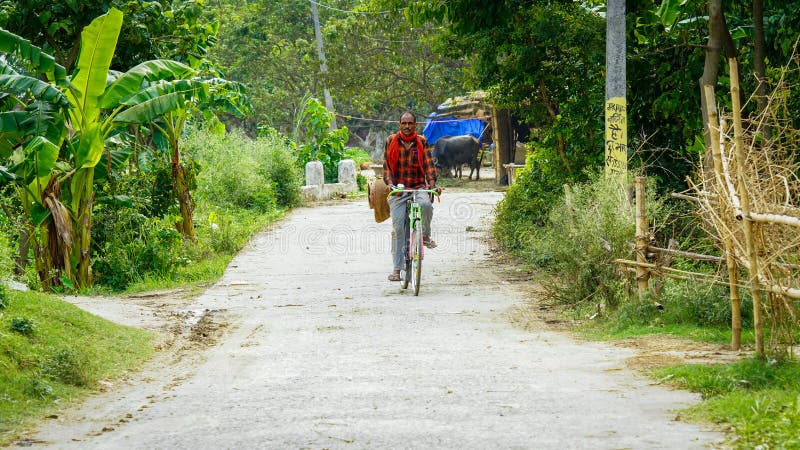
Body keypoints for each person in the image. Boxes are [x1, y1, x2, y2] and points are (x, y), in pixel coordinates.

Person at [383, 111, 440, 282]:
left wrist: (432, 184)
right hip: (398, 190)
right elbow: (387, 168)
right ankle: (397, 269)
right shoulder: (391, 141)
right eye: (404, 123)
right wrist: (389, 185)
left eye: (410, 123)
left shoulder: (422, 141)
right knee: (398, 228)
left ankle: (425, 236)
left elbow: (430, 166)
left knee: (426, 206)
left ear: (416, 125)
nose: (407, 126)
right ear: (399, 125)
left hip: (418, 187)